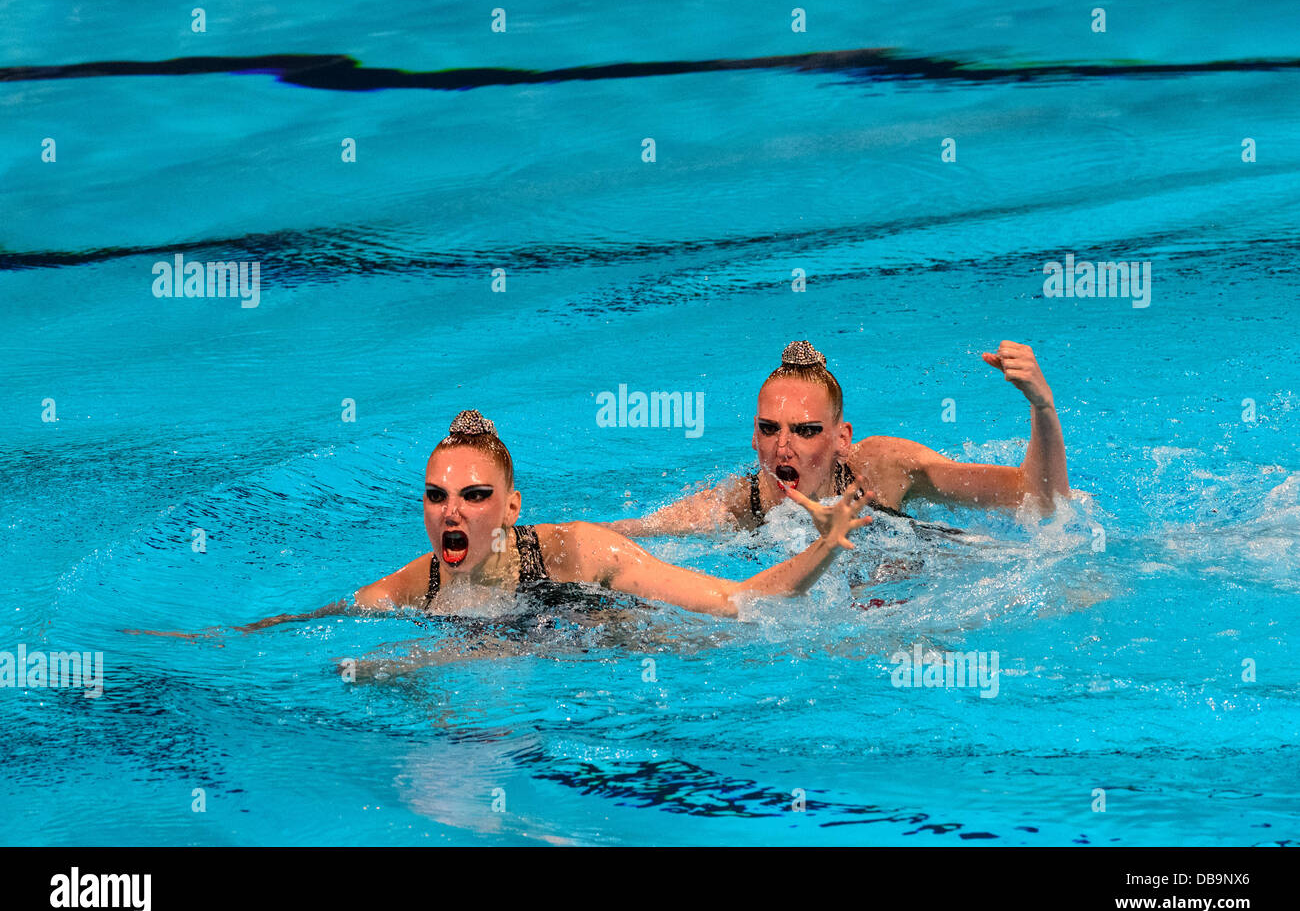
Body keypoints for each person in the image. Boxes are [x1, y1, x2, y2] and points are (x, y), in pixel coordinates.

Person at [132, 410, 875, 643]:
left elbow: (734, 601)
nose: (451, 510)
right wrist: (217, 639)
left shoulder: (580, 549)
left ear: (511, 506)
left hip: (638, 645)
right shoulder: (415, 584)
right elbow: (314, 617)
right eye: (435, 495)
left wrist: (824, 547)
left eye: (474, 495)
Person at [601, 339, 1069, 539]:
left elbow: (1042, 499)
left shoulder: (882, 469)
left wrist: (1042, 406)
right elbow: (627, 532)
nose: (783, 447)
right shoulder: (740, 505)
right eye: (769, 429)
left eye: (806, 431)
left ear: (842, 437)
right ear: (754, 438)